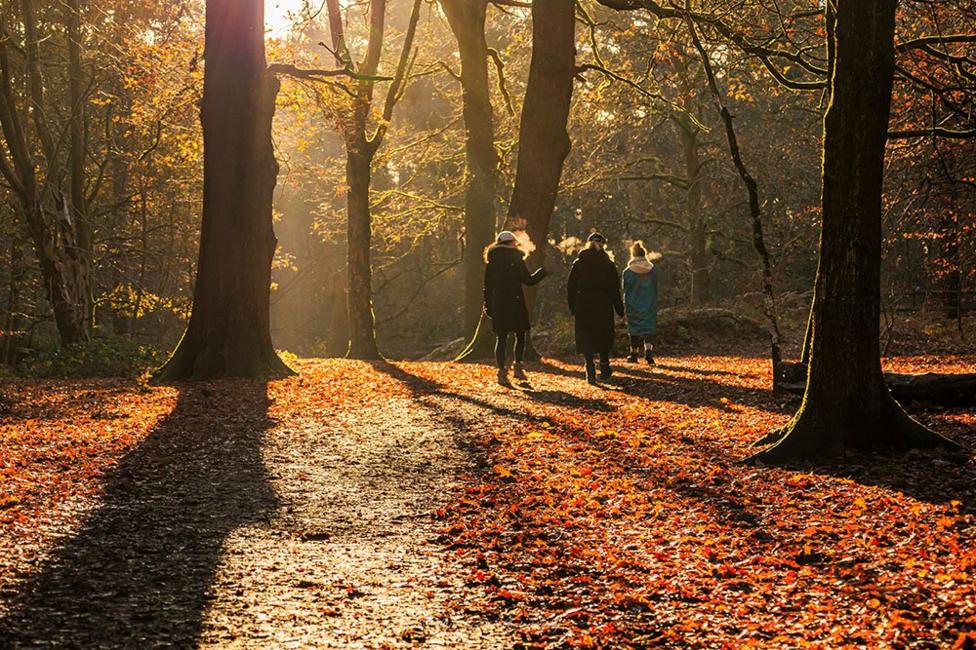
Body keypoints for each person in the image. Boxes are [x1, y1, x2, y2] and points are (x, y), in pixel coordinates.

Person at [484, 230, 547, 385]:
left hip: (498, 302)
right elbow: (528, 280)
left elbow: (487, 286)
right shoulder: (516, 258)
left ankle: (501, 371)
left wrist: (488, 305)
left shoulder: (491, 260)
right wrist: (543, 272)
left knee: (501, 337)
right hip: (515, 302)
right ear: (512, 243)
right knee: (520, 335)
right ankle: (518, 368)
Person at [567, 232, 624, 384]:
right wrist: (620, 310)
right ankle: (604, 366)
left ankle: (590, 368)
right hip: (602, 306)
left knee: (586, 337)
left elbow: (570, 287)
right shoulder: (608, 264)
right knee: (603, 336)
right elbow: (614, 289)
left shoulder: (578, 263)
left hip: (583, 306)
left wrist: (573, 307)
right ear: (603, 246)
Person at [622, 240, 659, 365]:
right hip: (649, 302)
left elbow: (625, 288)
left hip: (633, 303)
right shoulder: (653, 270)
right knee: (648, 328)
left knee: (634, 329)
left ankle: (634, 354)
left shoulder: (627, 272)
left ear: (633, 255)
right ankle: (648, 353)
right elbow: (655, 286)